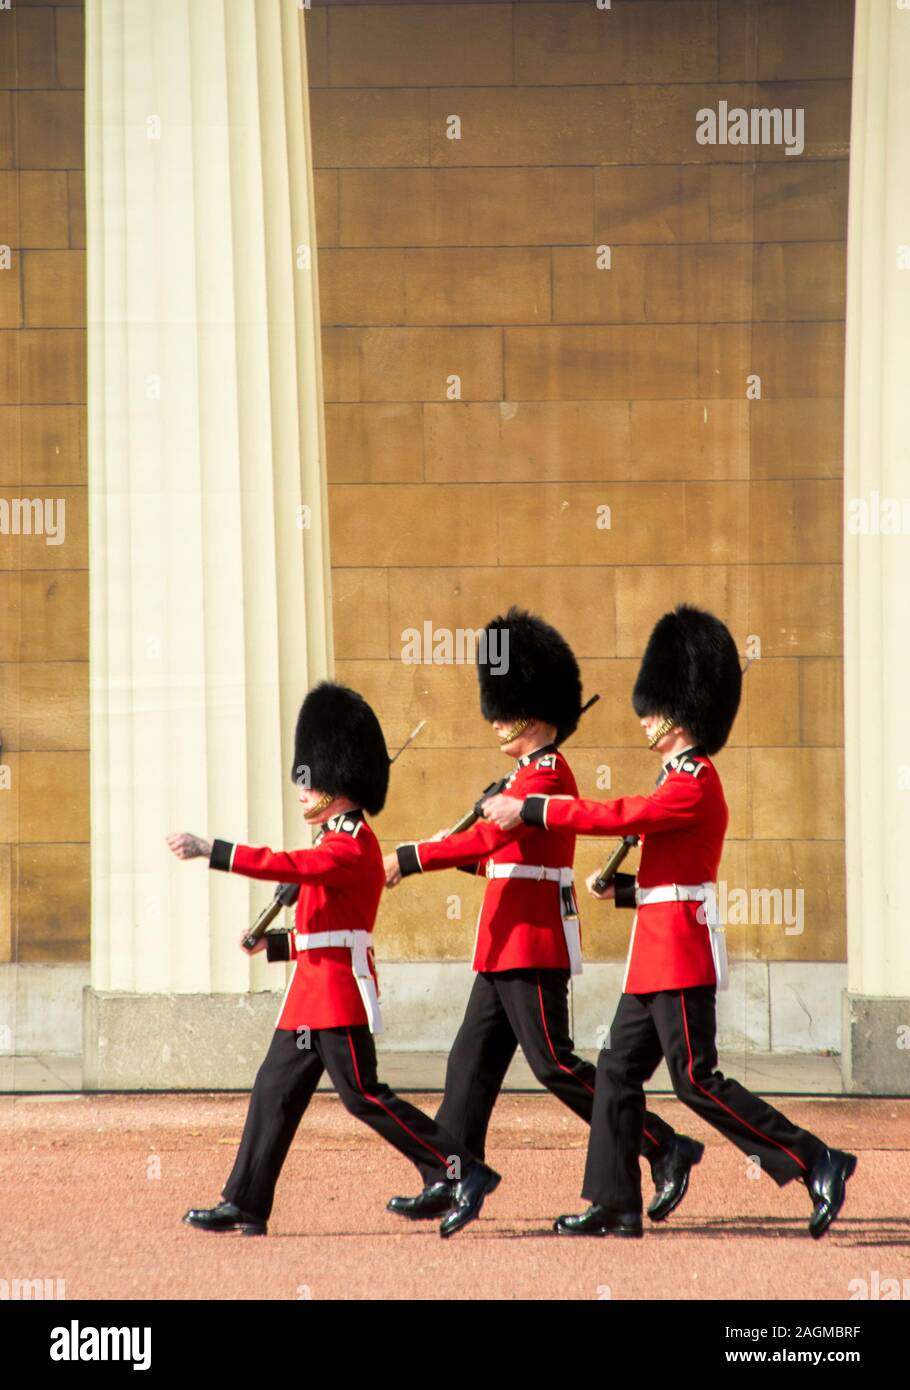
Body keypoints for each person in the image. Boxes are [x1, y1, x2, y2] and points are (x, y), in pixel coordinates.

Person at [482, 604, 857, 1239]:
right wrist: (625, 890)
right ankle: (614, 1202)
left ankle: (816, 1160)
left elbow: (620, 815)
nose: (645, 718)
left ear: (683, 710)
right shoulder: (674, 779)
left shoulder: (695, 781)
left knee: (696, 1082)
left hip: (680, 952)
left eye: (655, 708)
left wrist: (536, 808)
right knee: (616, 1072)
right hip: (654, 950)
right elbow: (669, 876)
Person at [383, 607, 701, 1223]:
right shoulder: (522, 775)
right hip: (503, 941)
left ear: (531, 713)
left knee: (555, 1064)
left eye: (505, 708)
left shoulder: (549, 773)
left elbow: (487, 844)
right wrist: (448, 854)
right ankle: (452, 1176)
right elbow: (496, 863)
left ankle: (664, 1145)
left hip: (531, 940)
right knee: (468, 1067)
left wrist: (413, 856)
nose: (497, 719)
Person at [166, 681, 499, 1239]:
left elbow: (280, 863)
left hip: (338, 994)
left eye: (311, 780)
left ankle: (463, 1171)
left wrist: (211, 849)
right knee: (273, 1091)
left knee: (364, 1096)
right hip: (309, 995)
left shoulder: (351, 847)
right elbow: (320, 934)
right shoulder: (331, 846)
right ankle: (245, 1201)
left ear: (338, 786)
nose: (302, 790)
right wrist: (271, 946)